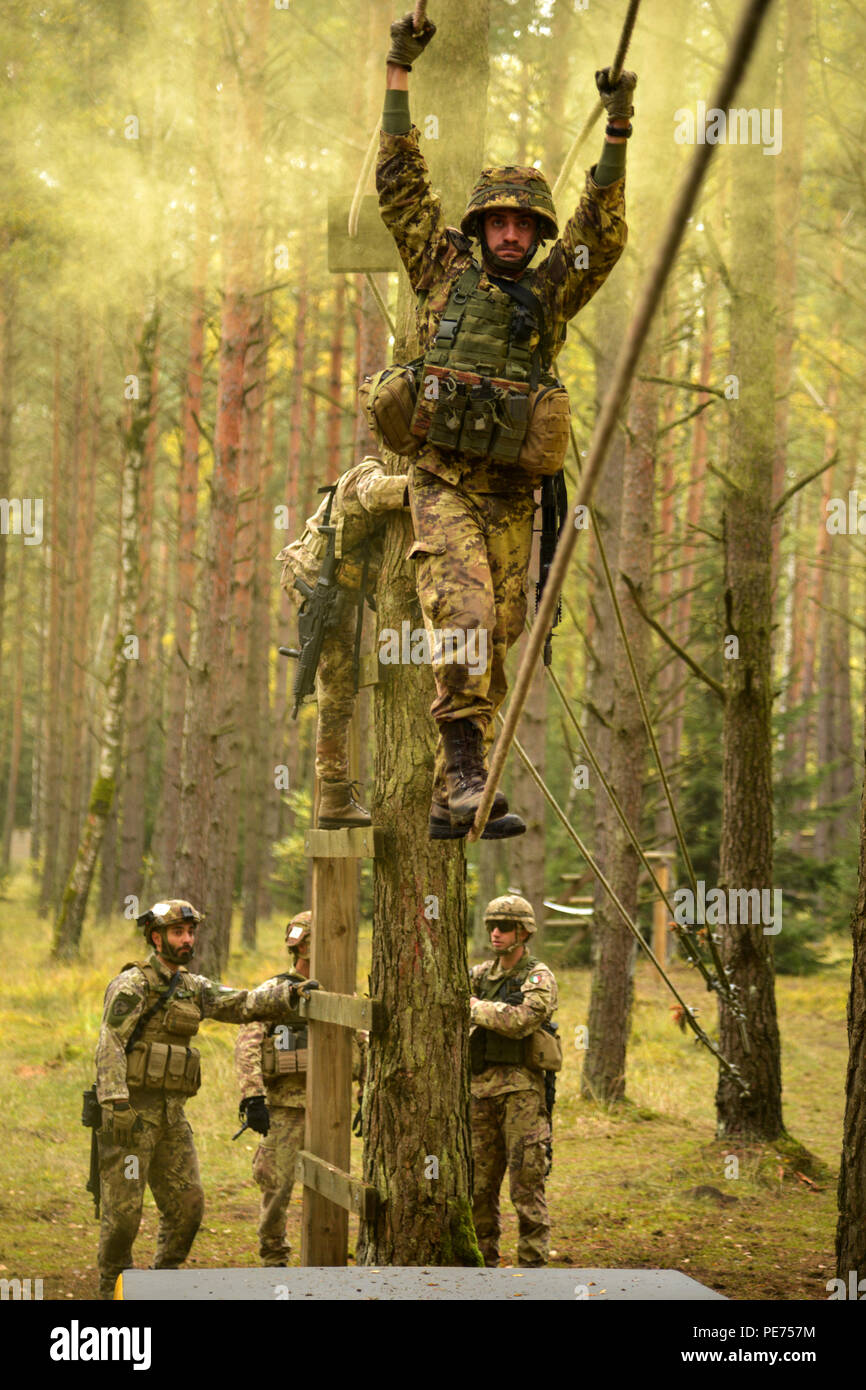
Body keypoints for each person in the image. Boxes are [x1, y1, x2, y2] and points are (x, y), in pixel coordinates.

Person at [377, 12, 634, 838]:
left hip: (515, 495)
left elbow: (602, 233)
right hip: (445, 480)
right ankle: (463, 777)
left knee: (505, 631)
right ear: (480, 226)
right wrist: (397, 70)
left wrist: (619, 129)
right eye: (500, 221)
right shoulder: (439, 270)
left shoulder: (552, 292)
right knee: (466, 616)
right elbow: (400, 184)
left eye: (526, 223)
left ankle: (457, 798)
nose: (513, 233)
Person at [93, 899, 314, 1299]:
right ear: (156, 937)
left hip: (172, 1118)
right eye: (178, 933)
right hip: (130, 1116)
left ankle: (161, 1281)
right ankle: (113, 1286)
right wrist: (116, 1104)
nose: (187, 940)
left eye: (191, 932)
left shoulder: (192, 987)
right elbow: (110, 1043)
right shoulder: (133, 985)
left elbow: (241, 1003)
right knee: (124, 1215)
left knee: (188, 1207)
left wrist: (290, 994)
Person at [278, 455, 409, 829]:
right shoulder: (368, 476)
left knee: (340, 685)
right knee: (337, 690)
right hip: (318, 584)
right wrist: (427, 491)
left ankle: (336, 799)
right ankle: (334, 799)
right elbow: (375, 494)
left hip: (336, 588)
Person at [234, 911, 366, 1267]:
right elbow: (247, 1044)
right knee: (276, 1189)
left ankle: (329, 1259)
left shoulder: (343, 993)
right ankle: (275, 1261)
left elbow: (364, 1045)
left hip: (331, 1112)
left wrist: (366, 1095)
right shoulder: (275, 992)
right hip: (285, 1109)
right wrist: (252, 1096)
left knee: (334, 1190)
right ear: (303, 945)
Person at [469, 894, 559, 1268]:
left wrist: (475, 1009)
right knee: (477, 1186)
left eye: (504, 926)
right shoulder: (478, 975)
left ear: (523, 932)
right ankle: (481, 1264)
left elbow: (523, 1020)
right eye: (492, 925)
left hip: (521, 1091)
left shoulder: (538, 976)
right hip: (478, 1091)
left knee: (526, 1184)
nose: (496, 932)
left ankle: (533, 1267)